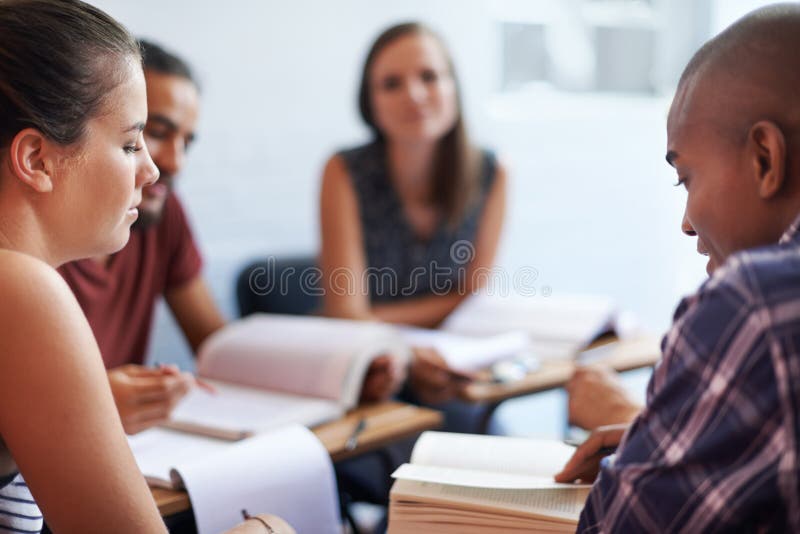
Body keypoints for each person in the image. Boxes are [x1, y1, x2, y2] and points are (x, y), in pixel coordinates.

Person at [58, 40, 397, 435]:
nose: (171, 163)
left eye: (186, 141)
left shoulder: (162, 213)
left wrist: (343, 372)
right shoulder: (40, 245)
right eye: (150, 135)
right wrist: (88, 404)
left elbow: (218, 346)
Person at [556, 4, 800, 531]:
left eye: (685, 179)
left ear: (765, 158)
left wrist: (642, 436)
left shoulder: (756, 303)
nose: (687, 224)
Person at [319, 22, 507, 404]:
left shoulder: (492, 174)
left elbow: (475, 296)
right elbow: (345, 314)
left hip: (451, 373)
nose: (415, 95)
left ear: (453, 86)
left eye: (430, 76)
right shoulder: (342, 172)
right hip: (369, 371)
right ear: (369, 103)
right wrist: (406, 342)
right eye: (391, 84)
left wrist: (379, 320)